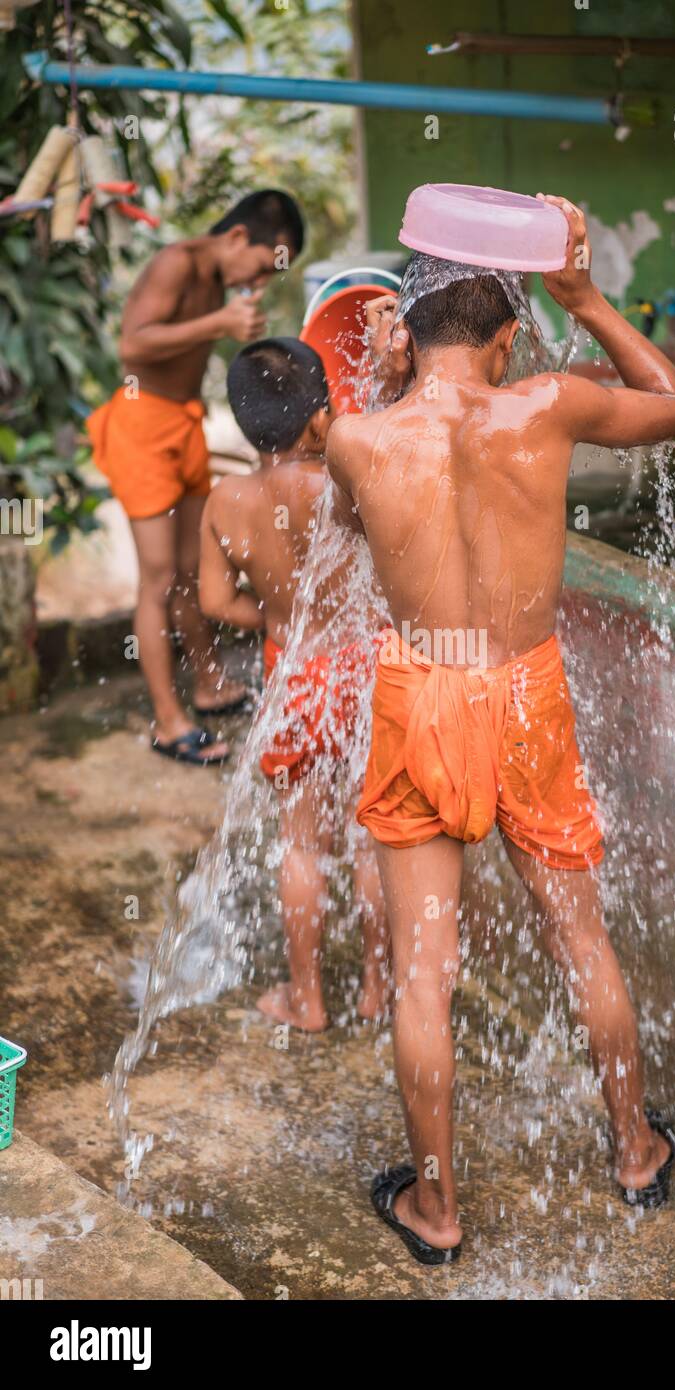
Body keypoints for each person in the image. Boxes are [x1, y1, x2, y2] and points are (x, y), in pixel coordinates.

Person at [326, 196, 675, 1264]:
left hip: (420, 695)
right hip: (526, 692)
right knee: (581, 935)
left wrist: (387, 378)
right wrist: (584, 296)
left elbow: (356, 528)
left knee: (422, 975)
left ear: (409, 330)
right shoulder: (547, 402)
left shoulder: (357, 438)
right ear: (505, 335)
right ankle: (635, 1151)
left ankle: (436, 1212)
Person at [199, 336, 389, 1029]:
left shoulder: (226, 499)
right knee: (372, 836)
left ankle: (306, 998)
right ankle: (376, 991)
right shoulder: (341, 486)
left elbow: (216, 605)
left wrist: (280, 621)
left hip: (294, 674)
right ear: (319, 422)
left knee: (302, 842)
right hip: (368, 666)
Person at [87, 190, 305, 766]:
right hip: (141, 427)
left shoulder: (215, 280)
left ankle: (208, 685)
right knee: (158, 579)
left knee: (192, 569)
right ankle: (168, 721)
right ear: (238, 238)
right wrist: (221, 320)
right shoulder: (177, 263)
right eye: (262, 264)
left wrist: (233, 322)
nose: (257, 278)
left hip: (184, 425)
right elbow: (133, 342)